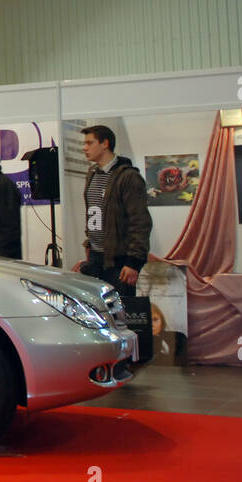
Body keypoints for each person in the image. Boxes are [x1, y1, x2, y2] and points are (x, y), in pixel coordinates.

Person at [70, 124, 153, 362]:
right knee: (98, 315)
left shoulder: (128, 177)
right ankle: (105, 360)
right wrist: (89, 246)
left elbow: (140, 222)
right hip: (96, 259)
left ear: (105, 144)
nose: (85, 148)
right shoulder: (92, 174)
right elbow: (95, 215)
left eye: (89, 143)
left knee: (121, 318)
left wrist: (134, 262)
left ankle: (125, 362)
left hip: (119, 262)